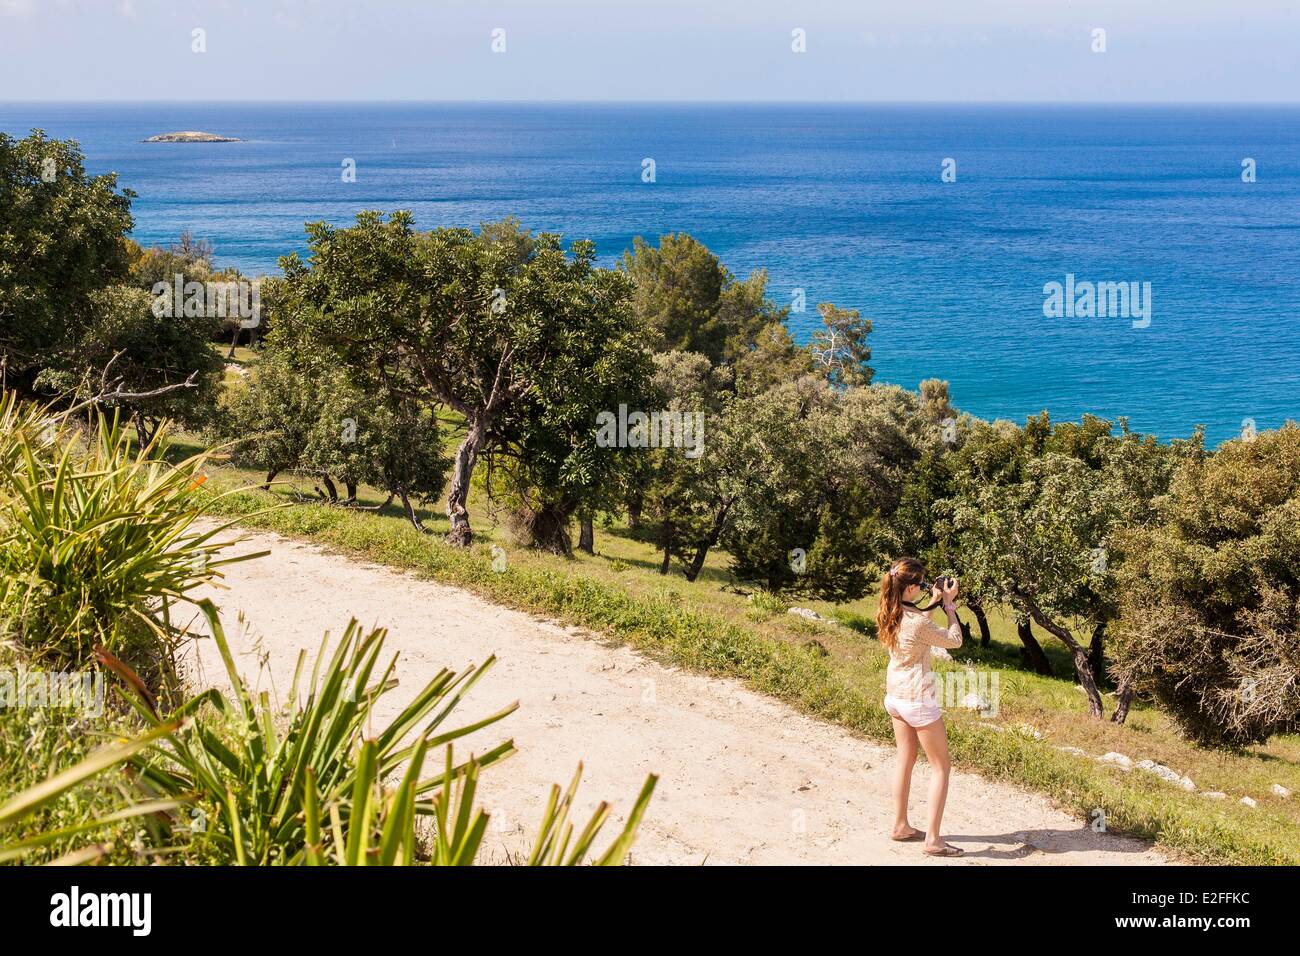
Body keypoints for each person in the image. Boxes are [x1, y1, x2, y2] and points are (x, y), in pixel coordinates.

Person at [876, 556, 963, 857]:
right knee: (941, 767)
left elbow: (916, 616)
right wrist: (949, 606)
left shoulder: (890, 609)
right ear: (912, 588)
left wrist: (933, 601)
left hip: (895, 696)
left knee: (906, 757)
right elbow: (955, 640)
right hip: (918, 700)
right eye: (923, 584)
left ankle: (900, 825)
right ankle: (934, 840)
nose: (927, 588)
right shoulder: (919, 622)